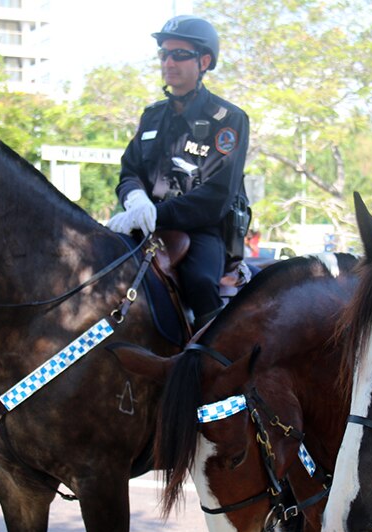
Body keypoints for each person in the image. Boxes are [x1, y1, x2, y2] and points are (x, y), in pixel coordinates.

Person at [107, 15, 250, 330]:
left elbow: (216, 197)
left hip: (202, 231)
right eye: (164, 54)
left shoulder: (227, 120)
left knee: (199, 282)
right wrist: (135, 200)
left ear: (204, 61)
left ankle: (207, 371)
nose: (168, 62)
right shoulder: (153, 117)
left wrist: (157, 213)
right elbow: (130, 170)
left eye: (179, 54)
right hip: (143, 224)